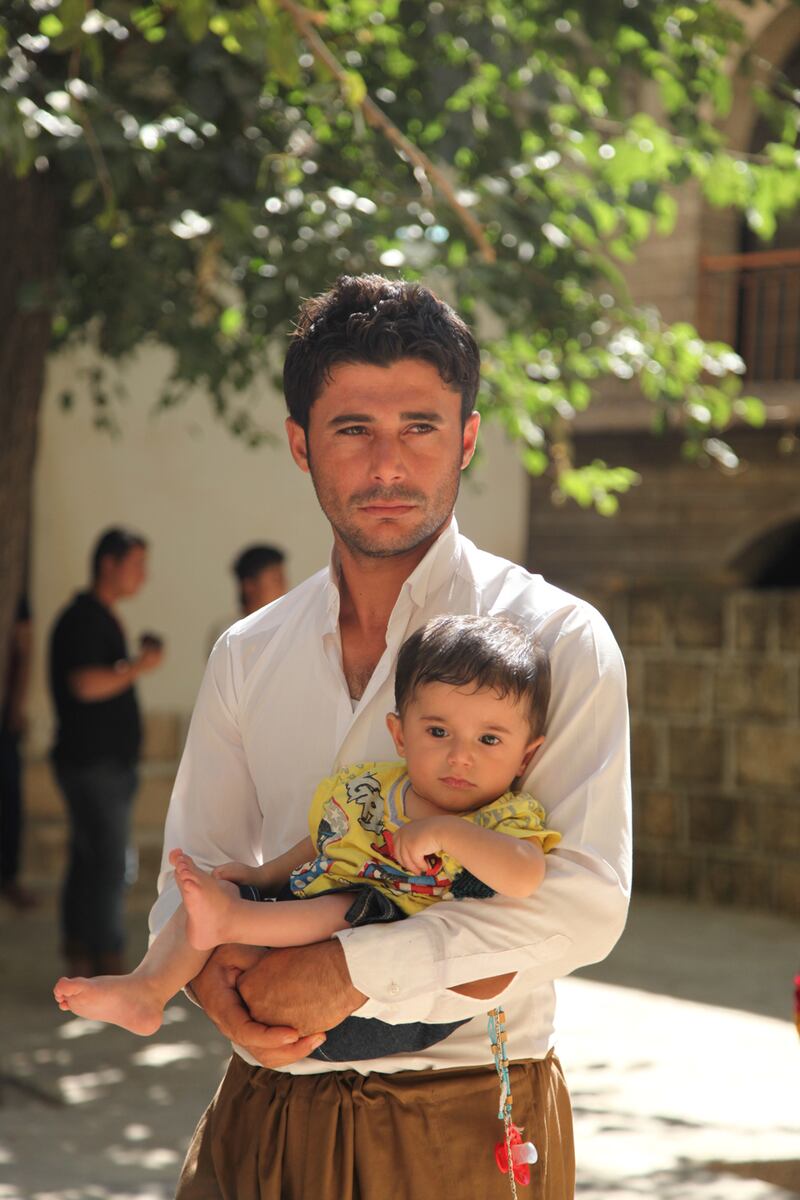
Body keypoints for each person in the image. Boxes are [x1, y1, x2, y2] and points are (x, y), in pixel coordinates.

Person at [150, 274, 632, 1200]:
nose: (387, 466)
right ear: (300, 444)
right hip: (262, 1113)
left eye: (419, 426)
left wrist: (352, 969)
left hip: (467, 1126)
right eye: (351, 429)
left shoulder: (559, 638)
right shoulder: (249, 652)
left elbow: (584, 907)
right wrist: (213, 991)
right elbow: (193, 870)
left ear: (467, 438)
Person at [53, 615, 559, 1051]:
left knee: (344, 905)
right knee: (219, 893)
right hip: (303, 936)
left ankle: (231, 923)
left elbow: (525, 875)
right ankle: (148, 988)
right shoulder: (373, 788)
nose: (461, 755)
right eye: (438, 732)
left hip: (389, 982)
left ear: (527, 757)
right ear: (400, 735)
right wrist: (264, 873)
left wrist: (451, 833)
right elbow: (324, 840)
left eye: (489, 738)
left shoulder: (502, 818)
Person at [49, 527, 165, 977]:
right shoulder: (83, 619)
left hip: (97, 763)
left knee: (89, 859)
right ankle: (108, 961)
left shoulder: (97, 617)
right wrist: (139, 666)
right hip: (95, 765)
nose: (143, 575)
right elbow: (85, 683)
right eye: (136, 564)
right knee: (111, 864)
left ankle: (82, 951)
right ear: (109, 565)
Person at [0, 594, 37, 910]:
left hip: (4, 716)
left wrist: (16, 703)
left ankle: (8, 876)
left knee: (9, 798)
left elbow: (24, 646)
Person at [232, 544, 287, 617]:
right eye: (276, 580)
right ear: (250, 585)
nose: (284, 586)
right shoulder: (232, 628)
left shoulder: (290, 624)